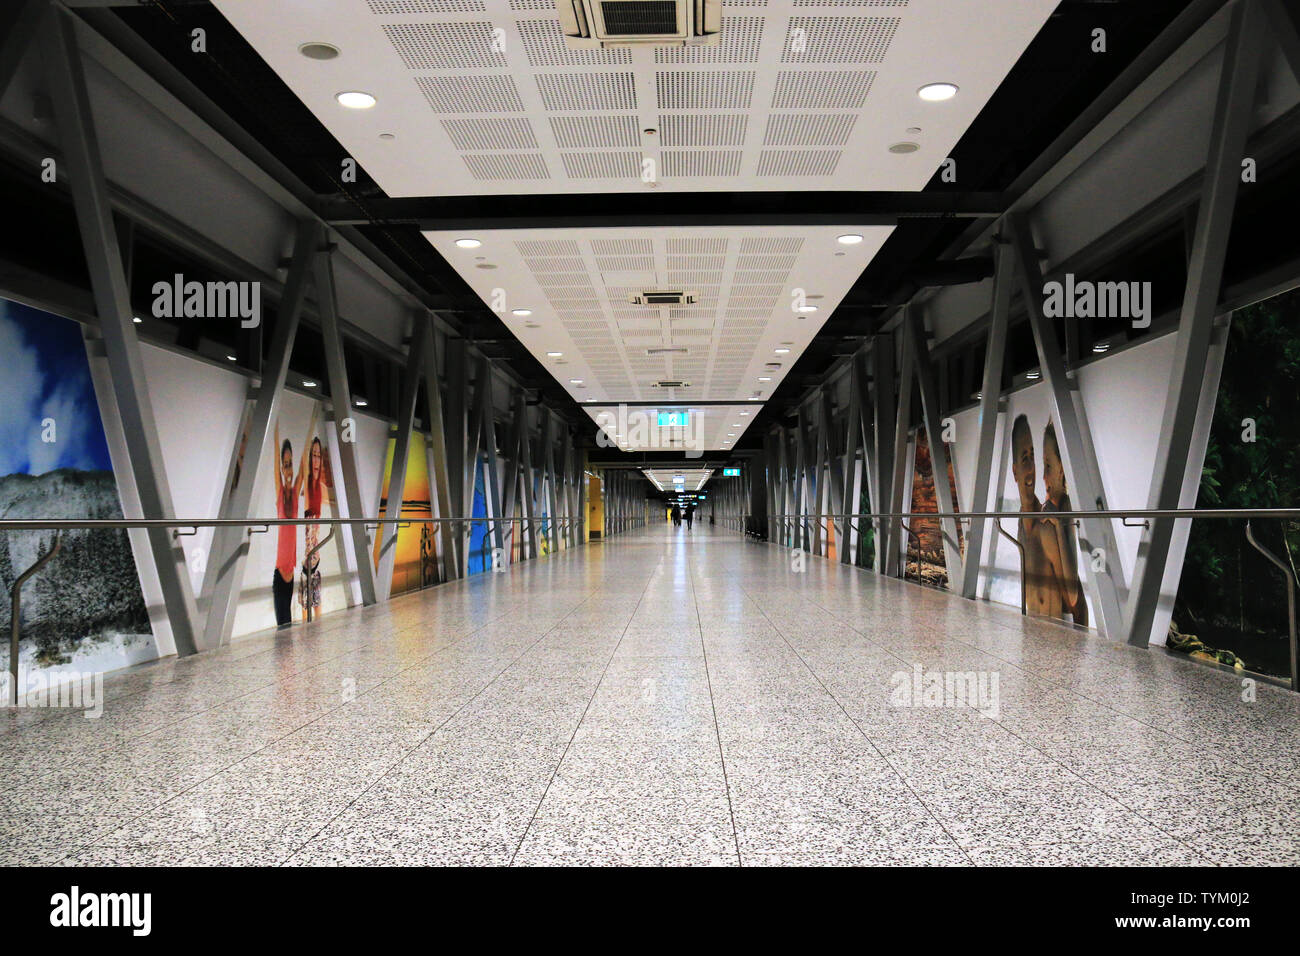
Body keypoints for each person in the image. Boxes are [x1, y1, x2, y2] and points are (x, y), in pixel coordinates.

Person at [1038, 421, 1088, 627]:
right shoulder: (1050, 508)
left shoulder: (1064, 508)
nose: (1043, 476)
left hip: (1074, 619)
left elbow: (1072, 593)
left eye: (1048, 466)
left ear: (1062, 469)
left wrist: (1058, 527)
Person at [299, 411, 332, 620]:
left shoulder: (320, 485)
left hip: (315, 542)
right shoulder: (308, 482)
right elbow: (304, 460)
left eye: (319, 455)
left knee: (313, 580)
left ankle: (315, 622)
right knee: (307, 579)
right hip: (307, 539)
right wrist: (311, 423)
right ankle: (308, 620)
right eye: (314, 454)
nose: (316, 459)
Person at [272, 422, 305, 627]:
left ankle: (289, 660)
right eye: (285, 464)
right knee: (281, 623)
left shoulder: (294, 494)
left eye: (290, 463)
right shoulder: (280, 494)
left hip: (290, 571)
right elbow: (276, 458)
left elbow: (304, 466)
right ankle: (282, 659)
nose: (289, 468)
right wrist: (275, 426)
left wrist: (310, 424)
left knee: (288, 624)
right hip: (280, 570)